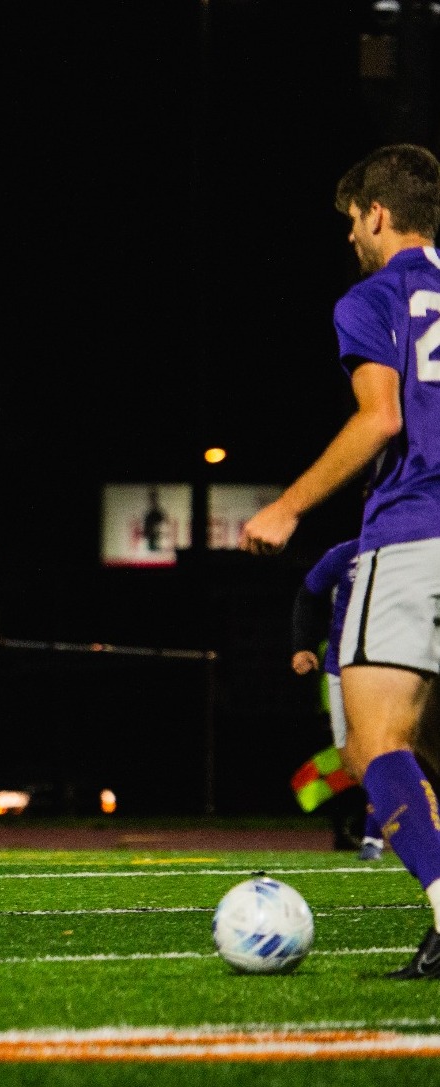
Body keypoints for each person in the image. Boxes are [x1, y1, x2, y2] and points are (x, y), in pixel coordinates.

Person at [241, 143, 440, 978]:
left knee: (373, 743)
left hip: (415, 529)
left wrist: (287, 506)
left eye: (353, 222)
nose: (351, 238)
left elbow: (381, 418)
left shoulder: (374, 295)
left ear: (377, 213)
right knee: (428, 747)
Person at [290, 537, 382, 859]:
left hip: (388, 667)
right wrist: (302, 644)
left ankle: (374, 838)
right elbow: (307, 594)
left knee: (382, 750)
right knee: (352, 762)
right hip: (340, 669)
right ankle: (370, 829)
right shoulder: (344, 554)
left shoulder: (410, 547)